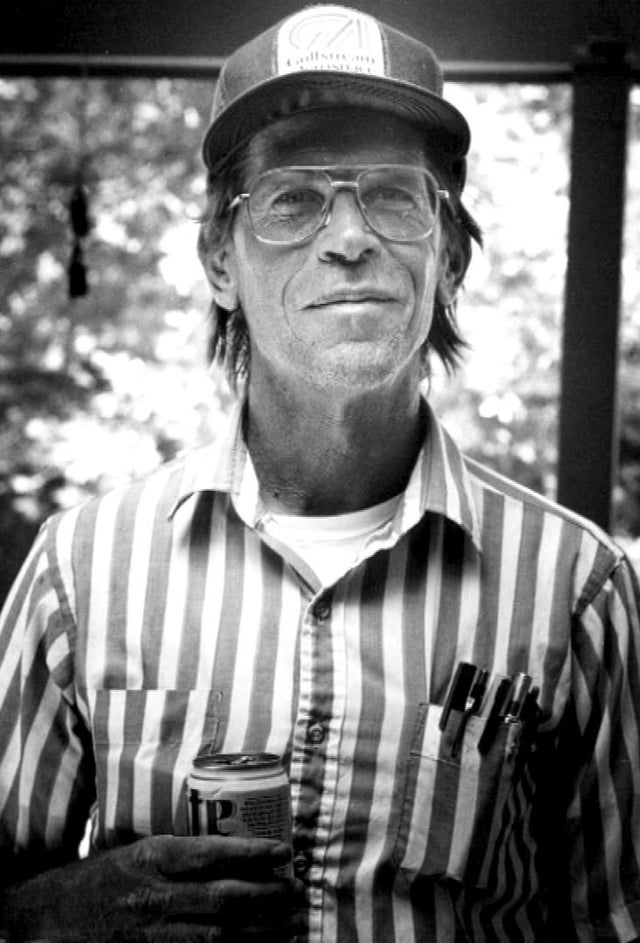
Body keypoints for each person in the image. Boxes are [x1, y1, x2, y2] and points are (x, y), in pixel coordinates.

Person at [1, 4, 640, 941]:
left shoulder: (576, 589)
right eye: (293, 199)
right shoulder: (80, 572)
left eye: (393, 195)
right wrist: (52, 912)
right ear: (220, 260)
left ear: (449, 256)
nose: (348, 237)